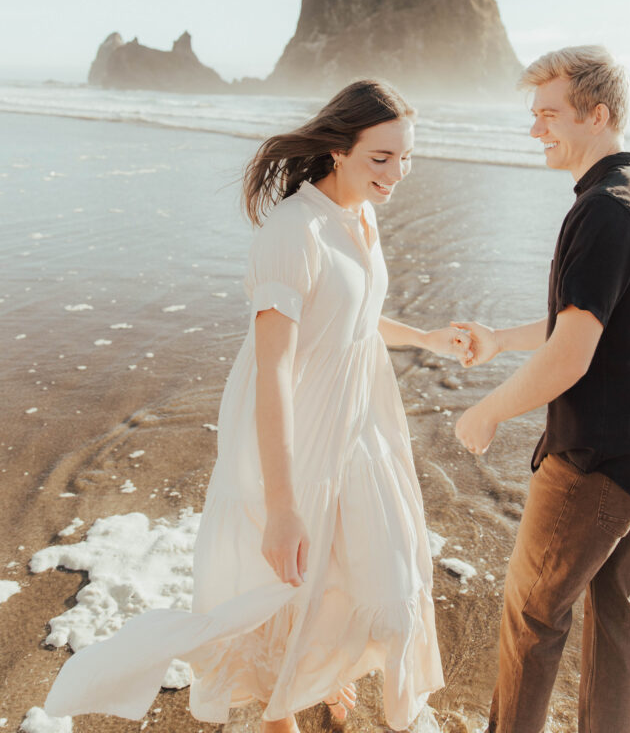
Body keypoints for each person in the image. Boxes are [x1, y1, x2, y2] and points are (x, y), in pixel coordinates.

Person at [45, 79, 467, 731]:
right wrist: (282, 506)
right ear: (337, 149)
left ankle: (323, 677)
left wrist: (425, 338)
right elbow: (274, 369)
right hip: (295, 427)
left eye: (405, 157)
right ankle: (279, 712)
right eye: (382, 158)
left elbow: (354, 316)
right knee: (286, 581)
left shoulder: (360, 212)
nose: (397, 173)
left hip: (359, 422)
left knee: (375, 569)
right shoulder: (291, 230)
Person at [452, 46, 630, 733]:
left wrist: (488, 410)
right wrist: (500, 340)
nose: (536, 131)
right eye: (533, 116)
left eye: (549, 115)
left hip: (599, 460)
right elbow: (592, 319)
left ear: (599, 114)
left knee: (533, 615)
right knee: (617, 619)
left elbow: (571, 355)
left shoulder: (604, 209)